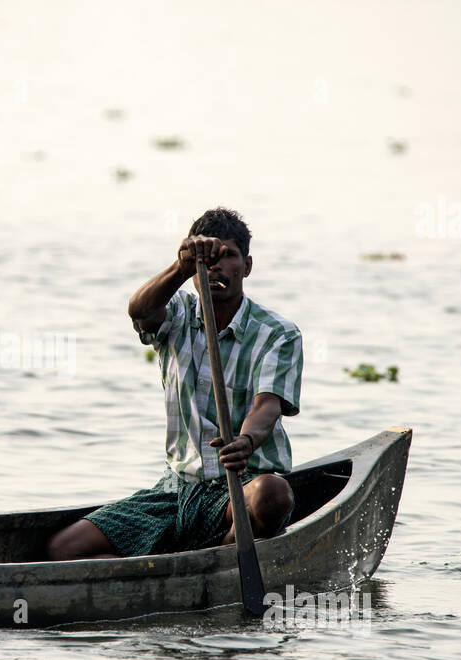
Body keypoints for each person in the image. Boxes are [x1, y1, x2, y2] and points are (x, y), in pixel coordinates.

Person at [46, 207, 301, 560]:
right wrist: (180, 267)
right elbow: (139, 311)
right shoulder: (177, 311)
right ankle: (166, 573)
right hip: (178, 489)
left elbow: (266, 406)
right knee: (63, 549)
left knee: (274, 494)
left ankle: (220, 553)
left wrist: (245, 441)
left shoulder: (277, 333)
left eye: (229, 256)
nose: (217, 266)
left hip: (240, 488)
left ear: (247, 266)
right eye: (209, 259)